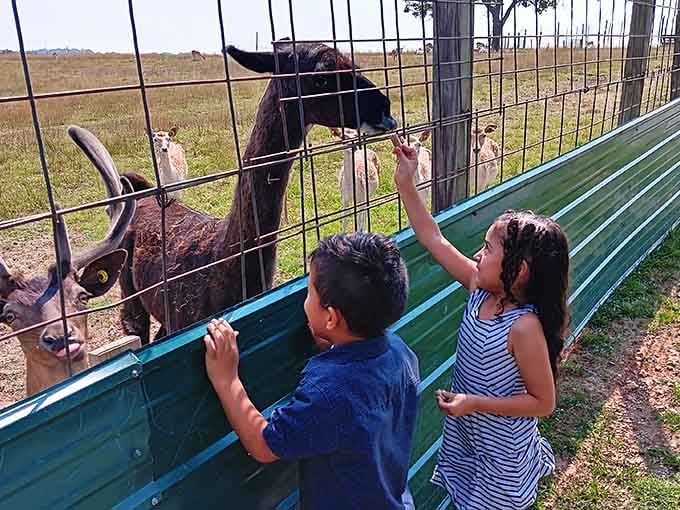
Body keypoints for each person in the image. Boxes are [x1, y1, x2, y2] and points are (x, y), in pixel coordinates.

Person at [393, 141, 569, 509]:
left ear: (517, 271)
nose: (477, 255)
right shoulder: (479, 287)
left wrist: (476, 403)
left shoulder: (523, 328)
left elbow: (543, 402)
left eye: (487, 249)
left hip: (502, 451)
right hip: (473, 436)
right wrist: (406, 183)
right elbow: (433, 238)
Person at [204, 232, 421, 510]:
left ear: (332, 318)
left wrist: (227, 380)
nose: (305, 300)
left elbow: (264, 444)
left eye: (309, 292)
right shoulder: (401, 354)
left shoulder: (328, 394)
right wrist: (333, 342)